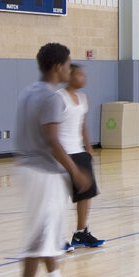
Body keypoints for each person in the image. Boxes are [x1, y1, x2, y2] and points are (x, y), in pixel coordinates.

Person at [9, 42, 90, 277]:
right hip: (44, 172)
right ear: (59, 67)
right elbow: (53, 141)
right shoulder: (52, 98)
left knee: (49, 234)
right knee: (40, 236)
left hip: (28, 169)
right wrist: (75, 171)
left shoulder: (28, 93)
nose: (70, 69)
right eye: (68, 65)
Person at [59, 64, 103, 250]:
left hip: (79, 152)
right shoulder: (59, 98)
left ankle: (80, 233)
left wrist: (89, 148)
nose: (83, 78)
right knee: (60, 197)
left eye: (84, 74)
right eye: (79, 74)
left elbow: (82, 125)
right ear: (69, 76)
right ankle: (56, 237)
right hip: (63, 153)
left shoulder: (84, 99)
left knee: (86, 193)